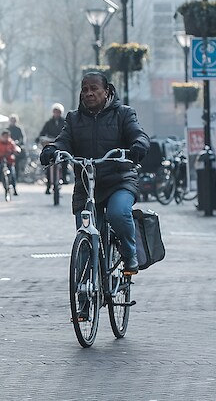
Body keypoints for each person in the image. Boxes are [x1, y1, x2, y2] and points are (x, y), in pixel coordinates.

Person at [41, 72, 149, 278]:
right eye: (85, 89)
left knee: (117, 213)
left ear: (106, 91)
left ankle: (129, 253)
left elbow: (138, 133)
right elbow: (64, 140)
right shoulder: (74, 119)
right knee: (85, 242)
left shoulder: (124, 114)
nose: (89, 93)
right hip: (86, 184)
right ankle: (84, 296)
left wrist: (138, 145)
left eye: (94, 89)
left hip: (119, 181)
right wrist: (52, 149)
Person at [38, 103, 68, 195]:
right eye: (55, 112)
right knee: (48, 162)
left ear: (61, 113)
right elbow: (43, 132)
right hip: (51, 144)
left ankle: (64, 176)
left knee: (65, 158)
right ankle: (48, 186)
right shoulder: (48, 123)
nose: (56, 113)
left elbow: (68, 131)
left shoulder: (65, 122)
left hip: (62, 143)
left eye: (58, 112)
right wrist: (39, 137)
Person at [0, 130, 20, 195]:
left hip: (10, 160)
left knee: (12, 174)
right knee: (1, 170)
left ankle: (14, 189)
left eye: (7, 136)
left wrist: (16, 151)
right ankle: (1, 180)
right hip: (2, 160)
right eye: (4, 136)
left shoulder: (11, 143)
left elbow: (16, 148)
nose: (5, 138)